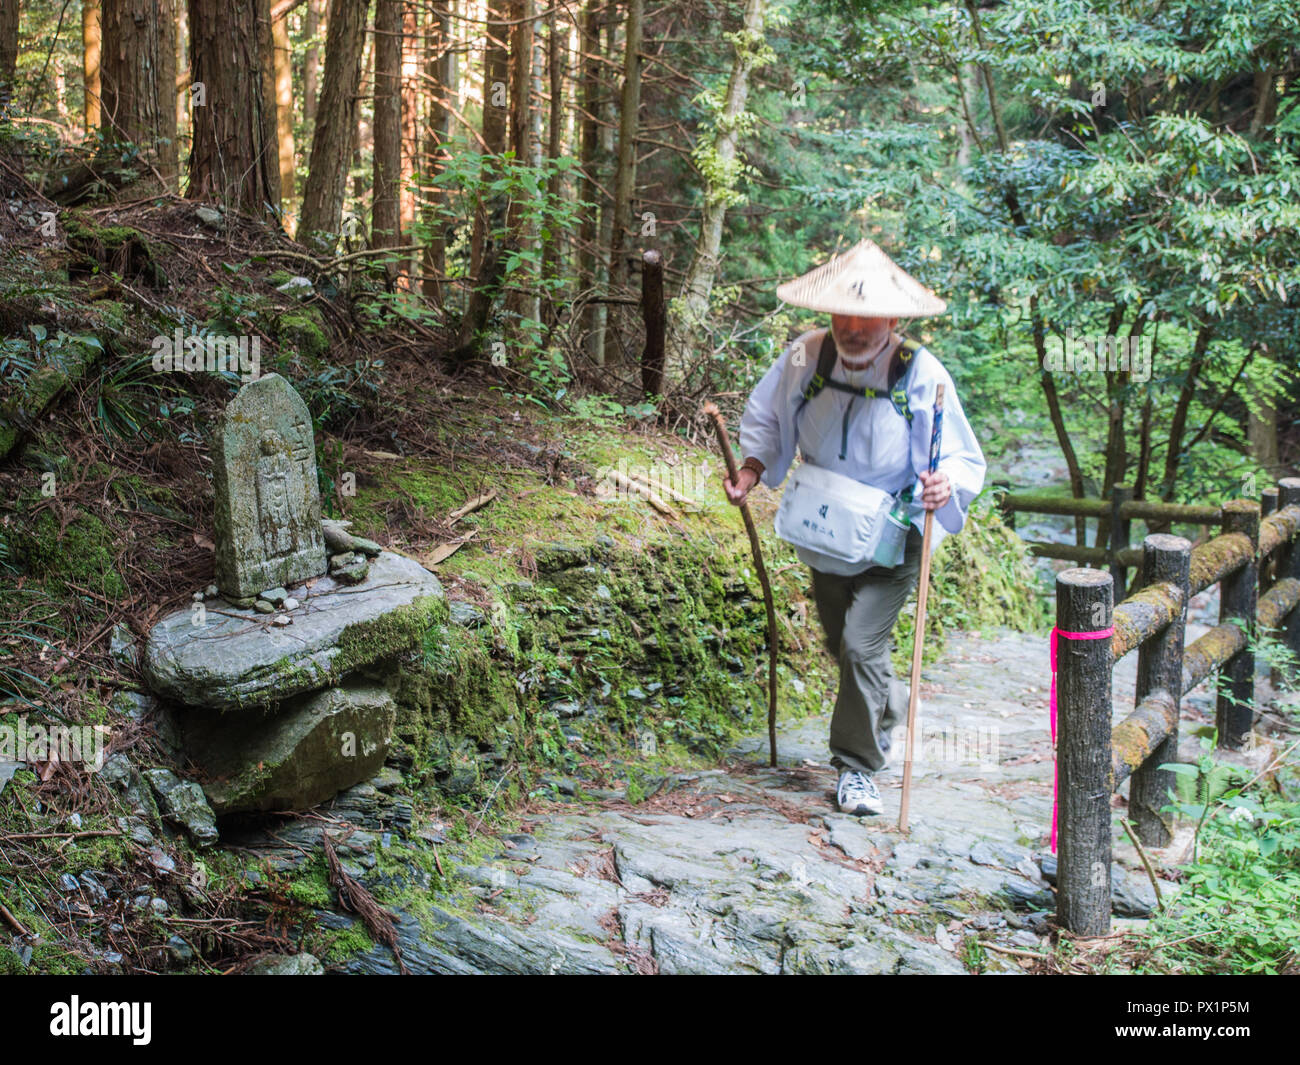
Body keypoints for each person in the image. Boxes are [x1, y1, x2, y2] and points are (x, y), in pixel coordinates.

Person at [725, 240, 986, 816]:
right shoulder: (805, 357)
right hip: (826, 526)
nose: (856, 328)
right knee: (842, 644)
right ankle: (887, 700)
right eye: (844, 314)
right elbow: (767, 416)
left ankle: (856, 768)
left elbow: (961, 457)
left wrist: (944, 484)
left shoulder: (919, 371)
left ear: (892, 319)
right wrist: (751, 468)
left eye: (869, 318)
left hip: (896, 532)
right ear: (829, 314)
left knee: (861, 642)